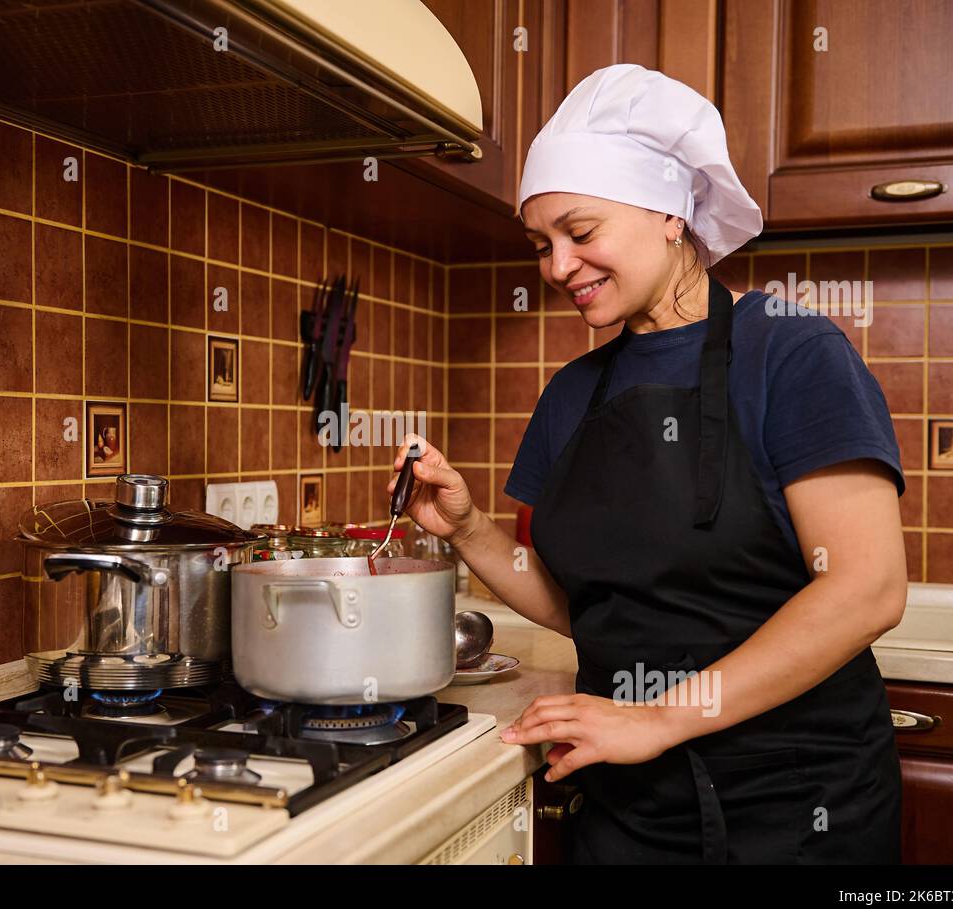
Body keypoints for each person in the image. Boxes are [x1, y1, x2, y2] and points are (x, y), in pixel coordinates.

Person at [385, 64, 906, 863]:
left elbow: (866, 588)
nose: (558, 267)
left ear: (670, 214)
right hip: (628, 805)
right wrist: (467, 528)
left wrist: (659, 718)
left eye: (581, 232)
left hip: (794, 801)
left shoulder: (793, 353)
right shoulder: (573, 394)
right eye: (540, 245)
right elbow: (586, 609)